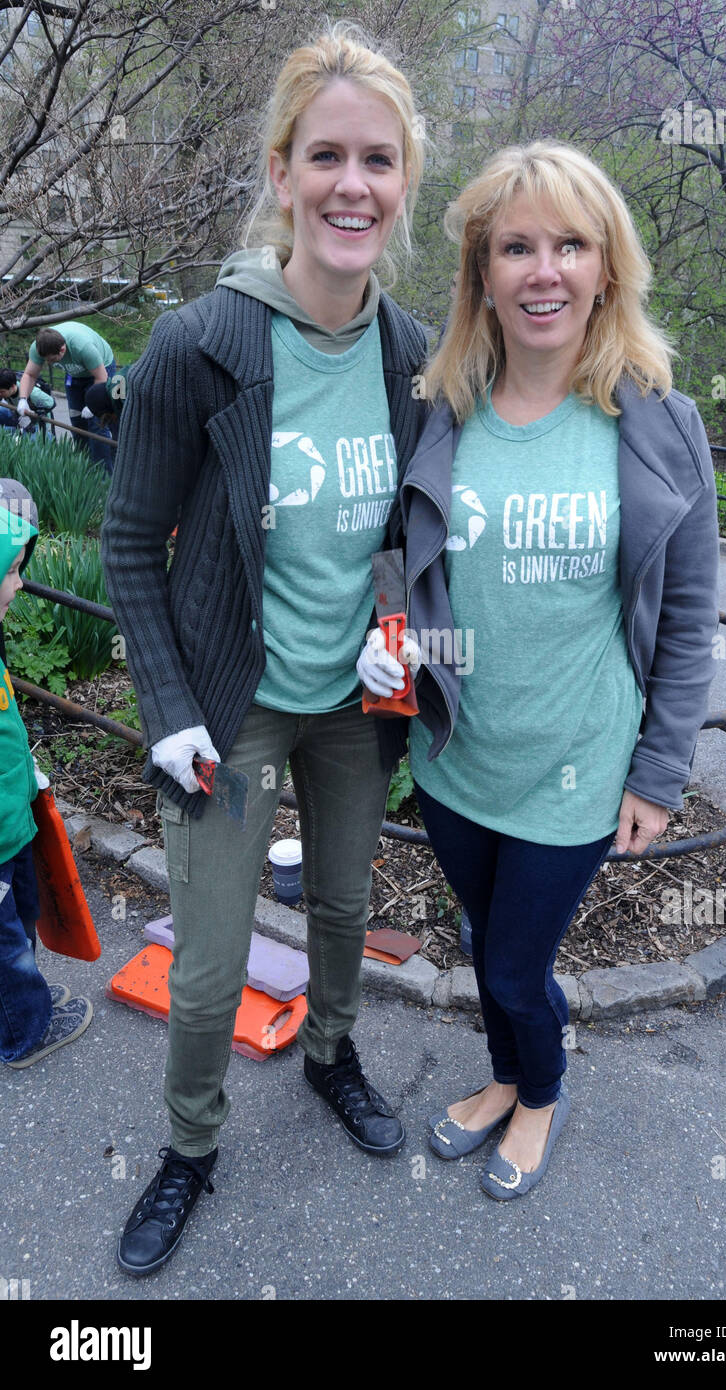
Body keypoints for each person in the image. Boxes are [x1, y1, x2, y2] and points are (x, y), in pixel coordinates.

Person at [100, 23, 428, 1277]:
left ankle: (335, 1056)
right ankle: (189, 1148)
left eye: (378, 161)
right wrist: (166, 703)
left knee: (344, 908)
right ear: (285, 170)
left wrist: (399, 618)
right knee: (209, 967)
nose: (353, 184)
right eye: (327, 156)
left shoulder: (411, 356)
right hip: (227, 707)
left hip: (352, 707)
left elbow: (405, 528)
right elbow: (131, 545)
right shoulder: (202, 342)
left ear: (402, 185)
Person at [358, 141, 720, 1202]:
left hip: (574, 766)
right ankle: (504, 1073)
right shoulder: (442, 409)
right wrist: (394, 693)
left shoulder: (655, 420)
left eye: (570, 243)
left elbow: (688, 615)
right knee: (482, 944)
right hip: (456, 759)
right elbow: (399, 567)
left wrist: (657, 772)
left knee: (516, 964)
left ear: (607, 267)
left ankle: (540, 1091)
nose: (543, 269)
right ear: (482, 272)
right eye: (515, 246)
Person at [0, 478, 93, 1069]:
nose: (19, 582)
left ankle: (19, 998)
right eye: (9, 572)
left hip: (13, 820)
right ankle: (22, 1031)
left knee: (23, 914)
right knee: (4, 943)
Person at [16, 323, 118, 472]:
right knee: (77, 421)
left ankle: (103, 475)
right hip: (74, 373)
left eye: (52, 360)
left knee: (96, 424)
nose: (49, 364)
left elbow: (101, 377)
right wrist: (23, 399)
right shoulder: (39, 347)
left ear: (62, 349)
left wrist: (92, 406)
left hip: (101, 371)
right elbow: (30, 374)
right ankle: (84, 467)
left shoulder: (83, 347)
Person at [0, 368, 55, 433]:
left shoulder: (33, 393)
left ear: (13, 387)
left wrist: (33, 414)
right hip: (19, 417)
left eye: (2, 392)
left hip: (38, 423)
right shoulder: (7, 391)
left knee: (29, 438)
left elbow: (52, 403)